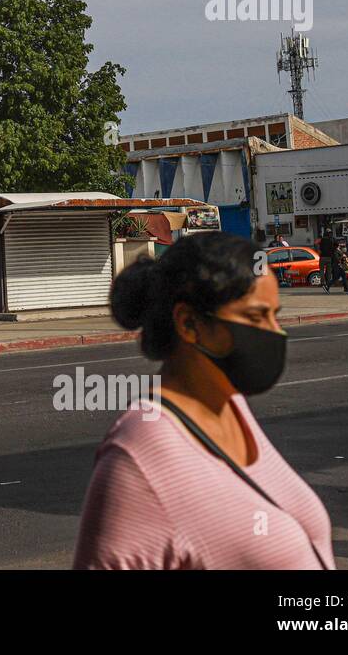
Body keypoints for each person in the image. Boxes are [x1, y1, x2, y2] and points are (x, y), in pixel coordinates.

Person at [73, 232, 333, 569]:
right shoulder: (139, 456)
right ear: (189, 323)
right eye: (255, 317)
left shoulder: (230, 404)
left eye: (274, 315)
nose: (275, 333)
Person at [317, 228, 348, 293]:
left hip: (323, 257)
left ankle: (323, 283)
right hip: (330, 258)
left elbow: (319, 248)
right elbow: (336, 245)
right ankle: (328, 284)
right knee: (330, 272)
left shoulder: (322, 240)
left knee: (321, 270)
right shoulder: (332, 240)